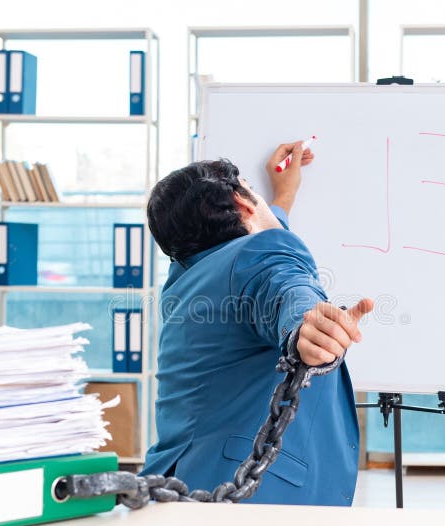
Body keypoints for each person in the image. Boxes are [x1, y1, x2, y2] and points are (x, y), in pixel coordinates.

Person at [141, 141, 373, 505]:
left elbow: (255, 260)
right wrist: (304, 329)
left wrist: (283, 196)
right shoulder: (262, 255)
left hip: (179, 477)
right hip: (246, 499)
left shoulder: (187, 276)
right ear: (243, 204)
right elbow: (285, 287)